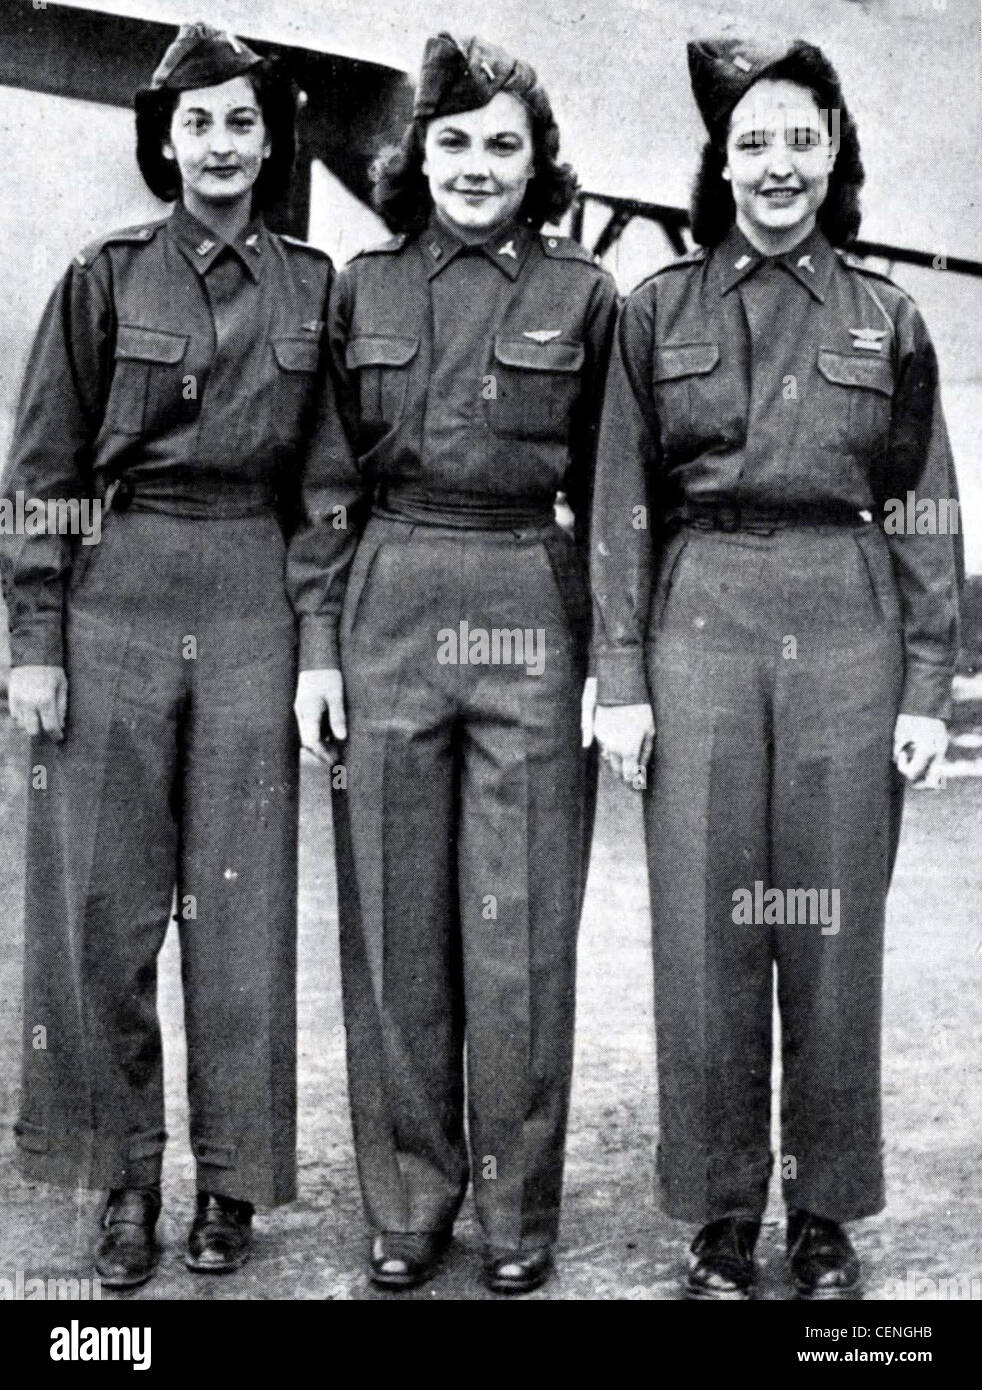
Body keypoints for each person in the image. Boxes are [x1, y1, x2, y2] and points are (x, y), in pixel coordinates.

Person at [591, 38, 961, 1300]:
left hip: (846, 624)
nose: (778, 164)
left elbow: (922, 507)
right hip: (702, 614)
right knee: (705, 928)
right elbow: (620, 506)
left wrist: (924, 683)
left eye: (802, 138)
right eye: (753, 141)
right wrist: (622, 673)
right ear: (721, 163)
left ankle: (824, 1212)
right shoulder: (657, 310)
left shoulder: (886, 315)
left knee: (830, 930)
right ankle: (716, 1214)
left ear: (834, 156)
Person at [2, 22, 345, 1288]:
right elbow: (42, 472)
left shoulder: (315, 287)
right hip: (119, 597)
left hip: (253, 596)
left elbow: (325, 489)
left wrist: (317, 644)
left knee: (241, 909)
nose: (220, 143)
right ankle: (127, 1179)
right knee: (104, 907)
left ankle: (235, 1184)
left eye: (241, 122)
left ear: (268, 140)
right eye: (197, 121)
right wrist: (35, 638)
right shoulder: (102, 277)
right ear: (166, 138)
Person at [293, 32, 618, 1295]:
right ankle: (408, 1200)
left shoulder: (586, 295)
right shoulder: (357, 289)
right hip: (388, 597)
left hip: (527, 603)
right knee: (395, 922)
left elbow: (611, 492)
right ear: (414, 156)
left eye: (502, 145)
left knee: (521, 925)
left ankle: (514, 1214)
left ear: (538, 165)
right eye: (453, 142)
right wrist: (320, 643)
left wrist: (613, 653)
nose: (476, 166)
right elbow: (324, 484)